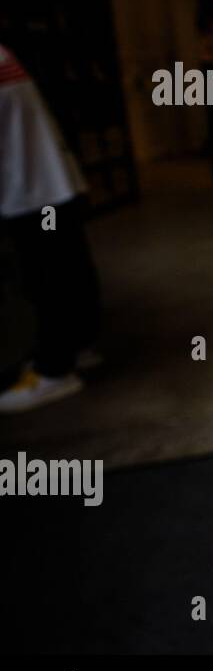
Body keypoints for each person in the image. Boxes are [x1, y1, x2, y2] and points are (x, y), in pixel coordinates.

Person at [0, 44, 102, 413]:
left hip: (28, 189)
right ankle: (78, 346)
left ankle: (54, 371)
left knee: (48, 276)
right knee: (68, 265)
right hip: (50, 181)